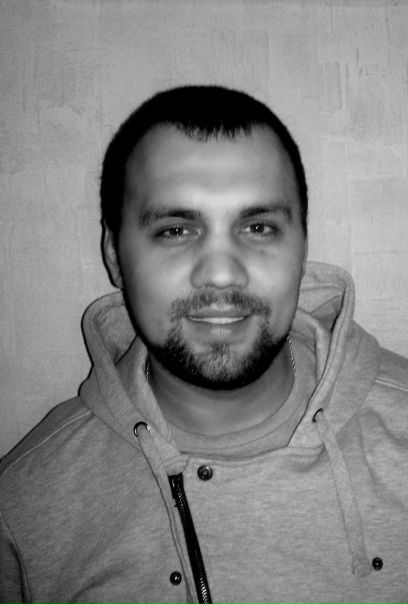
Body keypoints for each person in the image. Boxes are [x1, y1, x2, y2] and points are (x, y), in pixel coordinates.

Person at [0, 85, 407, 604]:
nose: (220, 273)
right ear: (114, 255)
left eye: (258, 227)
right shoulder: (23, 510)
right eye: (176, 230)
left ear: (302, 247)